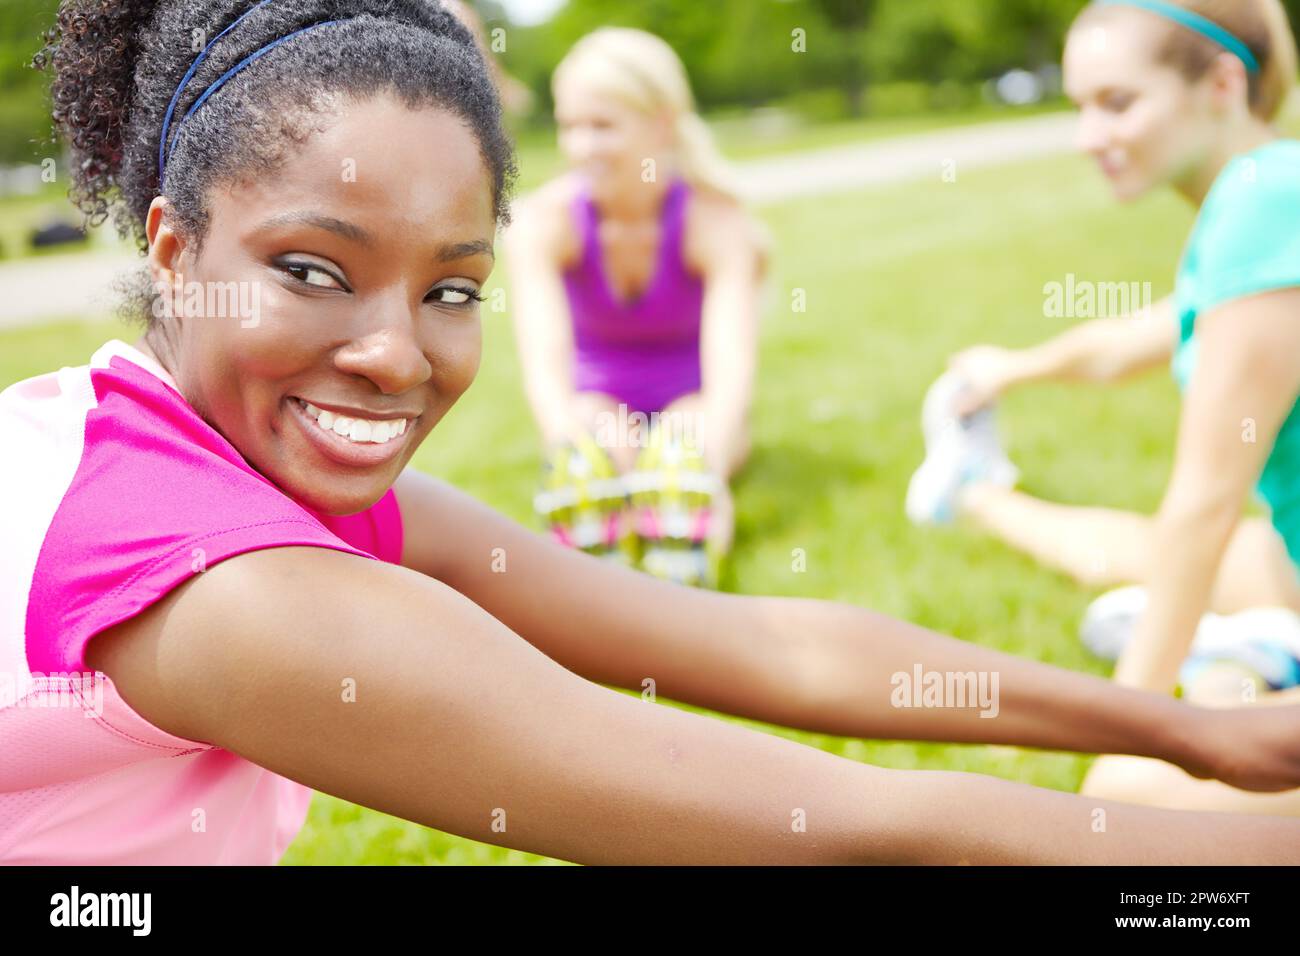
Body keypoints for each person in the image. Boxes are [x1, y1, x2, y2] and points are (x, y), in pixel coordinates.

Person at [6, 0, 1300, 866]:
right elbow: (859, 820)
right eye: (311, 268)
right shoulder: (221, 582)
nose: (398, 353)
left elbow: (770, 645)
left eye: (451, 288)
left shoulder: (197, 456)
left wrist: (1191, 733)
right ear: (174, 250)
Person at [905, 0, 1300, 813]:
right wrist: (1010, 370)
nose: (1089, 136)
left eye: (1117, 103)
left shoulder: (1268, 206)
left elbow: (1205, 505)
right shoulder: (1266, 188)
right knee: (1129, 553)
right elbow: (1139, 338)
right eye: (1080, 105)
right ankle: (974, 491)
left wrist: (1128, 732)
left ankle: (1234, 677)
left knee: (1129, 803)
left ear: (1221, 82)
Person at [504, 28, 768, 588]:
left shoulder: (716, 223)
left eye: (602, 126)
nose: (580, 147)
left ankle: (682, 563)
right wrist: (571, 451)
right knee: (603, 440)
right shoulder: (546, 223)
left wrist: (709, 468)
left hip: (693, 403)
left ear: (662, 123)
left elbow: (732, 373)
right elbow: (544, 367)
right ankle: (603, 552)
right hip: (599, 402)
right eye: (569, 125)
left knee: (681, 446)